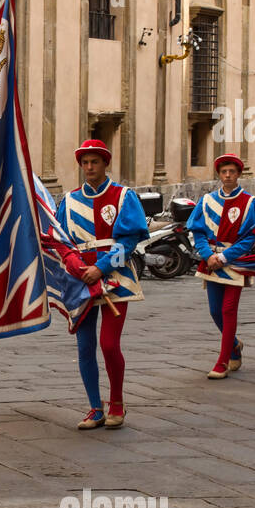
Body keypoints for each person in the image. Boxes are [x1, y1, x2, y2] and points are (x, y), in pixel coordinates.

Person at [55, 139, 149, 429]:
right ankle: (95, 408)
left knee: (109, 344)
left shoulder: (124, 196)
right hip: (80, 279)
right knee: (84, 348)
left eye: (94, 162)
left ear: (105, 163)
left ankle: (117, 402)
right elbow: (59, 241)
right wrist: (74, 263)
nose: (88, 167)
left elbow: (130, 240)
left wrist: (102, 267)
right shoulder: (69, 201)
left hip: (115, 277)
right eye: (84, 163)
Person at [187, 154, 255, 379]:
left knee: (228, 310)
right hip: (210, 261)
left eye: (232, 171)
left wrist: (224, 257)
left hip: (235, 263)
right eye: (224, 172)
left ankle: (223, 361)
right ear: (219, 174)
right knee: (215, 311)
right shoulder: (207, 200)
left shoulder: (250, 202)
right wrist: (207, 255)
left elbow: (251, 237)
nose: (228, 175)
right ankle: (234, 344)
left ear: (239, 174)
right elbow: (199, 231)